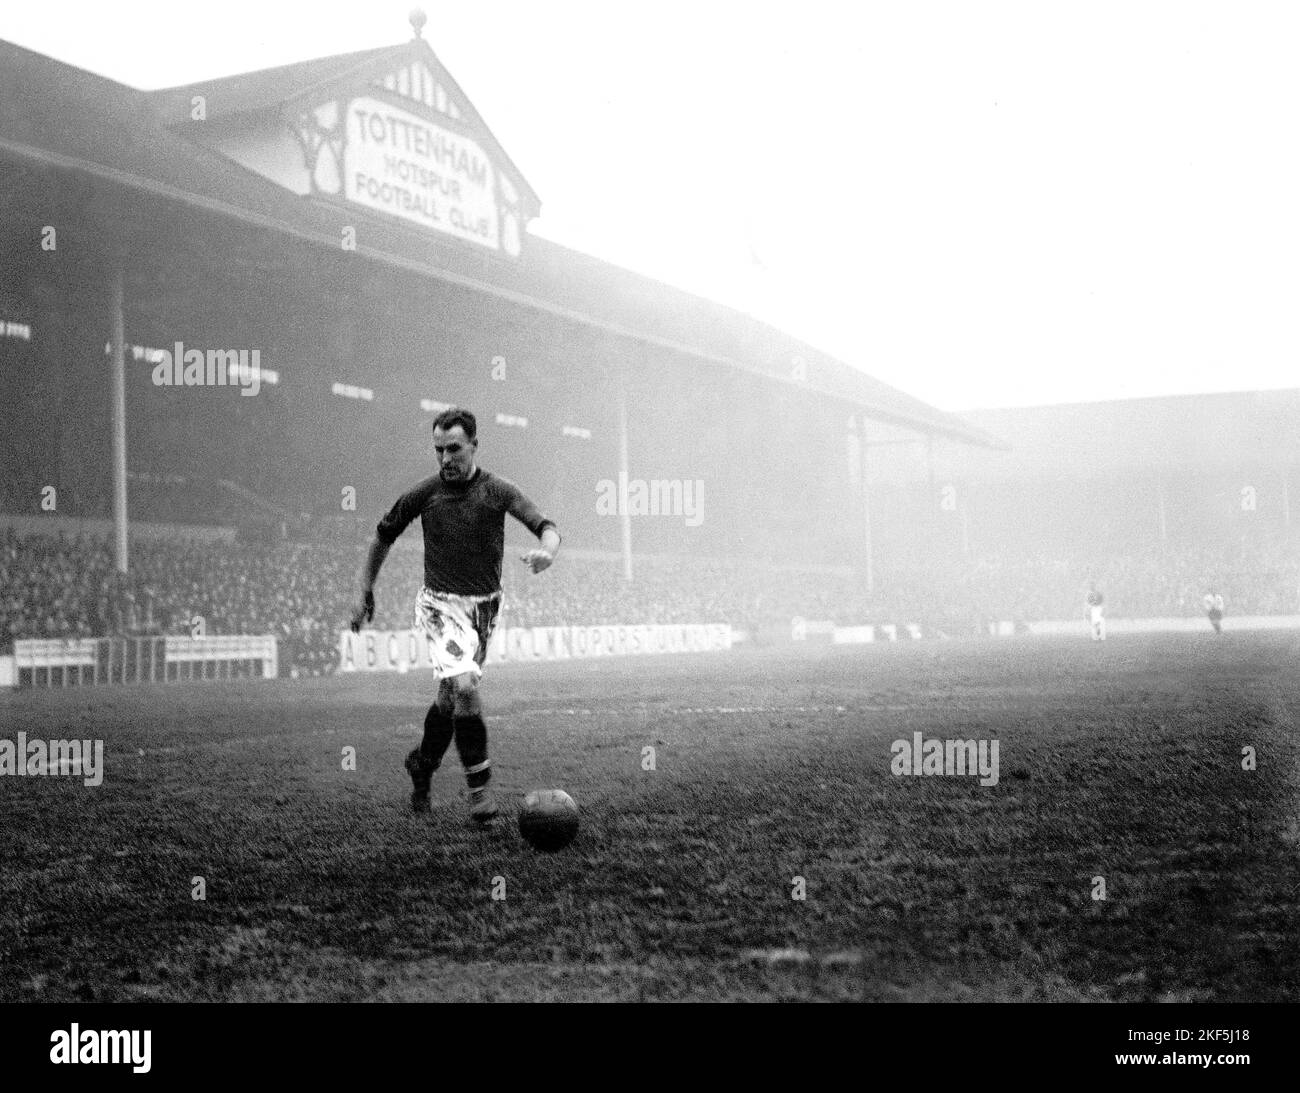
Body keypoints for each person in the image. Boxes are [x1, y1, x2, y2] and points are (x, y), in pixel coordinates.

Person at [350, 408, 561, 822]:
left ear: (474, 446)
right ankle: (480, 791)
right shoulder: (424, 493)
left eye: (454, 449)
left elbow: (546, 526)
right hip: (439, 606)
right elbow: (382, 536)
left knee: (449, 699)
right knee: (465, 686)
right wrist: (364, 591)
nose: (446, 458)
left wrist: (547, 553)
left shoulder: (499, 490)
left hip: (484, 608)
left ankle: (423, 762)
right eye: (439, 450)